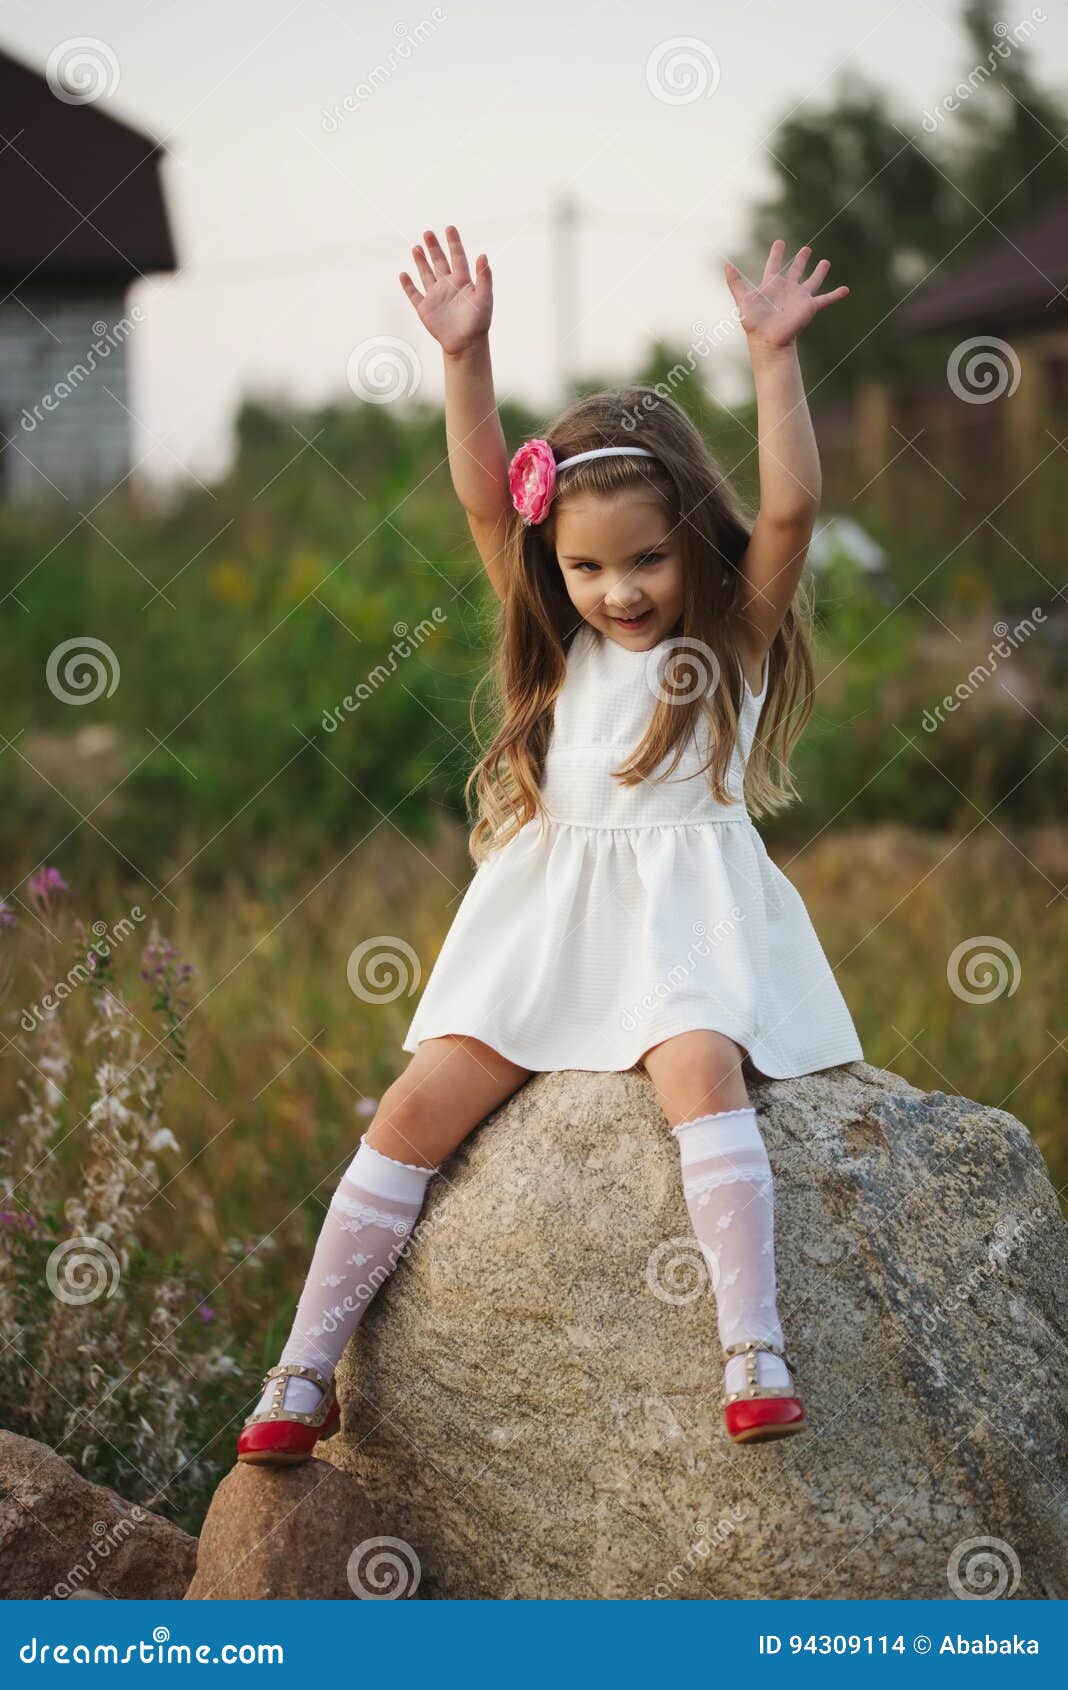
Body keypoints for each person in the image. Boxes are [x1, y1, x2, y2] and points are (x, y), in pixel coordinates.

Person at [237, 224, 861, 1465]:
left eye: (647, 559)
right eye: (586, 566)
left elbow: (790, 504)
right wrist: (466, 358)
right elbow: (483, 494)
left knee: (698, 1071)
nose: (618, 590)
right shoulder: (561, 643)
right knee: (413, 1107)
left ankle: (751, 1347)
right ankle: (303, 1369)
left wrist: (771, 358)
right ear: (553, 562)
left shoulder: (727, 643)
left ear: (692, 538)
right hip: (544, 926)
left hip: (690, 929)